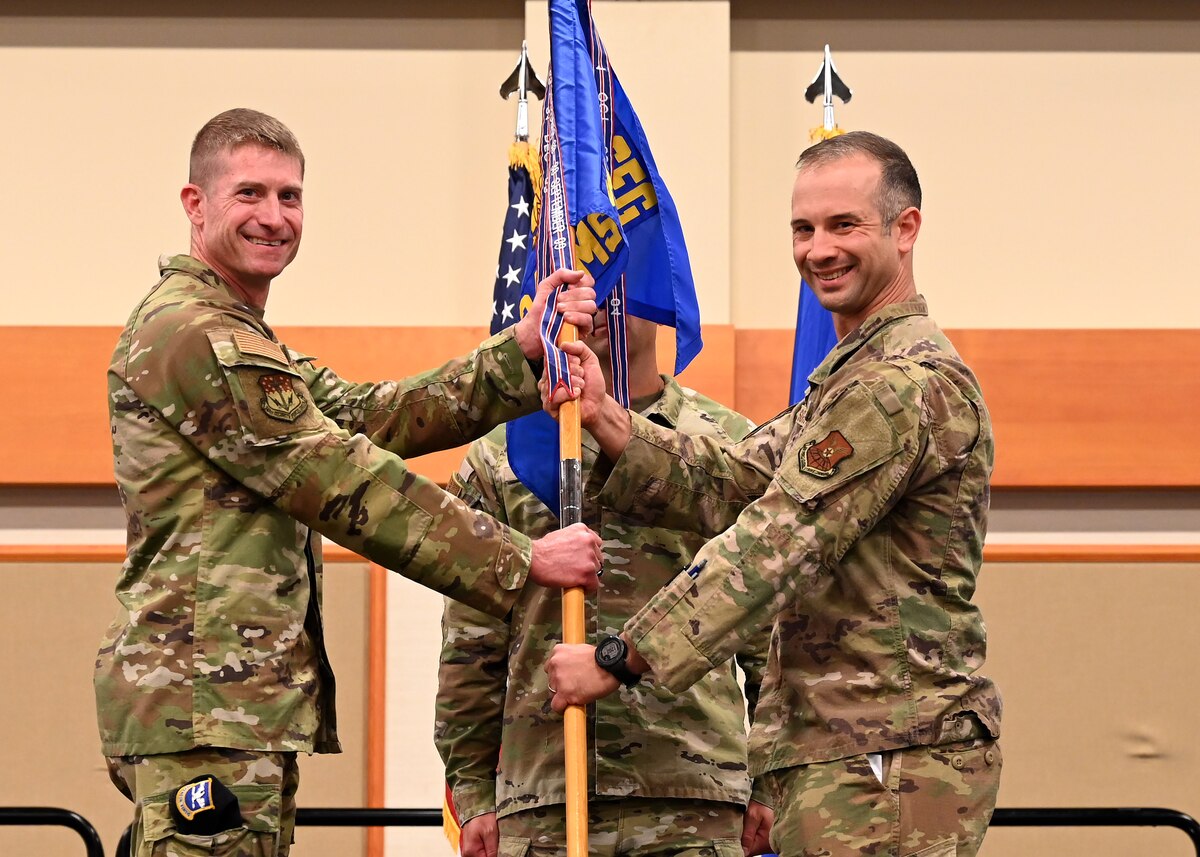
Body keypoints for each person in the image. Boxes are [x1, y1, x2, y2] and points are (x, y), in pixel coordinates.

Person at [97, 107, 603, 857]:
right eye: (250, 194)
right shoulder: (195, 332)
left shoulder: (240, 333)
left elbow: (368, 416)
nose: (274, 217)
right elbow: (335, 474)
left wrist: (518, 353)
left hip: (229, 707)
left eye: (290, 196)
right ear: (194, 205)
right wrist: (519, 558)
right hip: (205, 708)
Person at [546, 132, 1003, 857]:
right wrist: (606, 416)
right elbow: (735, 479)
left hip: (886, 755)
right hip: (842, 752)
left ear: (905, 228)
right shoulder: (851, 378)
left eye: (844, 225)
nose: (819, 249)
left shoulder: (897, 387)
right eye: (804, 228)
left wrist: (617, 655)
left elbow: (771, 543)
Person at [435, 311, 775, 857]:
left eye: (617, 280)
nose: (591, 306)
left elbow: (766, 628)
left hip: (693, 794)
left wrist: (770, 778)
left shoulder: (728, 447)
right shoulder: (505, 458)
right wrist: (473, 789)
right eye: (577, 287)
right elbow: (471, 641)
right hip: (542, 798)